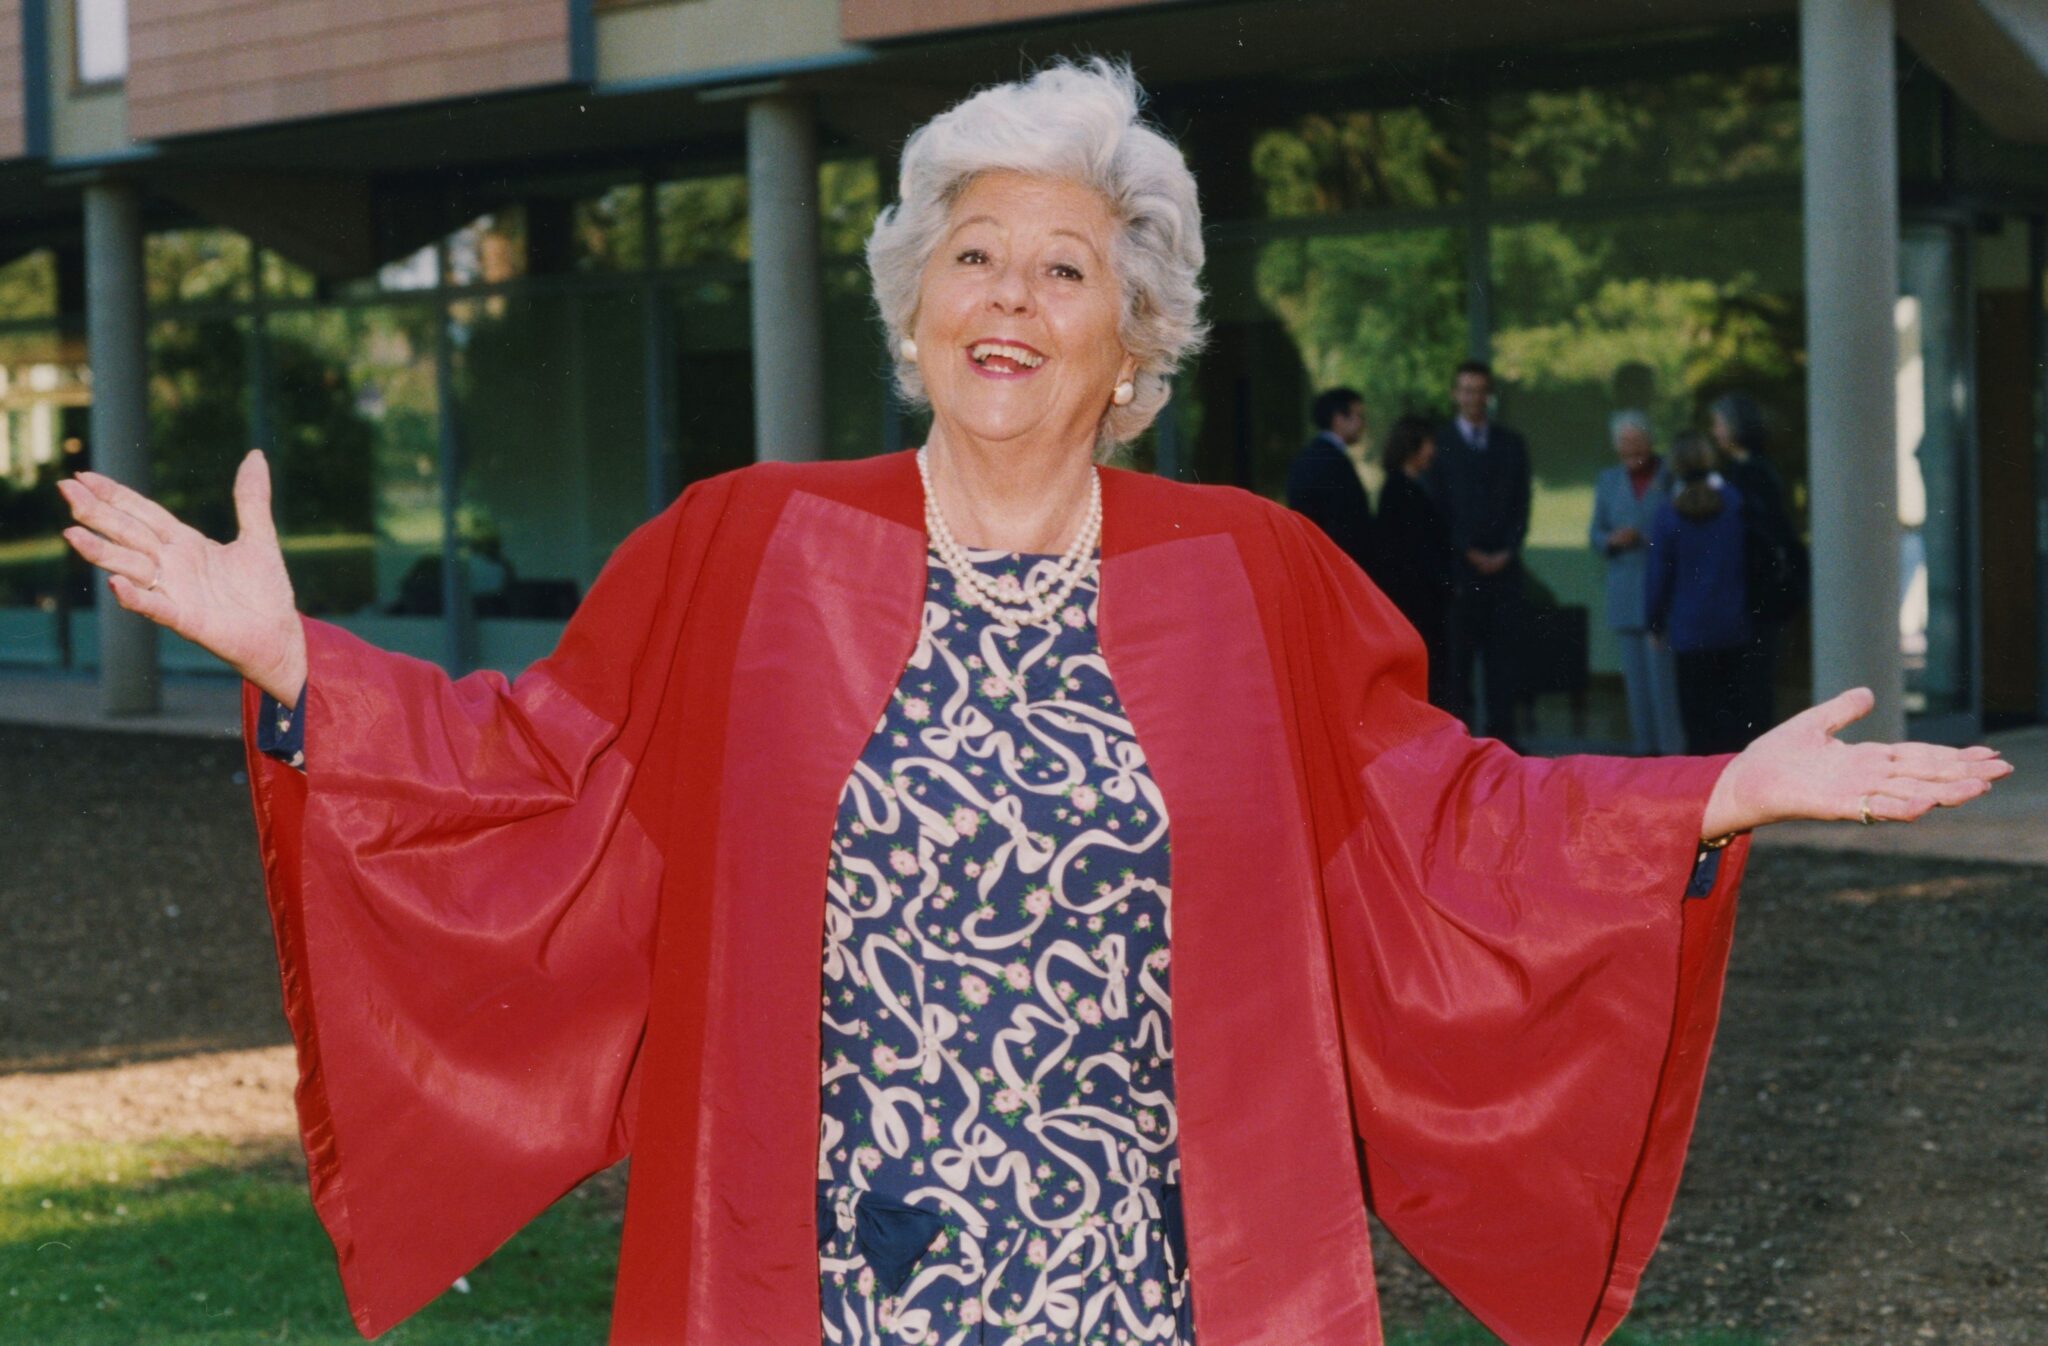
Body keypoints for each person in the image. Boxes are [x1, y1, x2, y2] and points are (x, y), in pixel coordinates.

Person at [57, 60, 2007, 1346]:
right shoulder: (746, 545)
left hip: (1143, 1284)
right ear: (911, 304)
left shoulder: (1241, 570)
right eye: (970, 253)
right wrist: (305, 661)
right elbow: (541, 763)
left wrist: (1700, 800)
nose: (1008, 293)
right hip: (815, 1282)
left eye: (1061, 266)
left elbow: (1439, 812)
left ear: (1130, 337)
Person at [1429, 358, 1531, 749]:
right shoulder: (1440, 444)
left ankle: (1505, 751)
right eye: (1466, 390)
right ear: (1455, 395)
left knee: (1504, 667)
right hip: (1460, 573)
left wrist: (1506, 550)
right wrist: (1466, 552)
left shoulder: (1511, 443)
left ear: (1490, 396)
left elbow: (1522, 504)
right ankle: (1461, 753)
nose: (1473, 398)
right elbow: (1437, 509)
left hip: (1504, 573)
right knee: (1458, 668)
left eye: (1480, 391)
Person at [1646, 431, 1754, 754]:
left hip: (1690, 629)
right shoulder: (1735, 503)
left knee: (1697, 724)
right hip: (1733, 623)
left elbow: (1657, 576)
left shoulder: (1667, 514)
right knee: (1732, 721)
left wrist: (1653, 622)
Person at [1709, 392, 1807, 743]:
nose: (1715, 433)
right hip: (1751, 593)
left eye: (1719, 425)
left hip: (1756, 594)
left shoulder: (1750, 475)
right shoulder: (1744, 472)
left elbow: (1764, 533)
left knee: (1754, 680)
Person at [1591, 410, 1685, 755]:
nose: (1630, 454)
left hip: (1662, 595)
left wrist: (1645, 537)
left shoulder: (1671, 477)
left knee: (1665, 687)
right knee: (1637, 688)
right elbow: (1594, 533)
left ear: (1649, 441)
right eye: (1623, 447)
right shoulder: (1608, 480)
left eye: (1636, 445)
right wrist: (1610, 540)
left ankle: (1673, 759)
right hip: (1625, 593)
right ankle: (1644, 757)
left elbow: (1681, 532)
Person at [1372, 413, 1455, 708]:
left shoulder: (1409, 488)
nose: (1433, 450)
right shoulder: (1400, 491)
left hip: (1420, 598)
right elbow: (1415, 551)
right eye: (1428, 443)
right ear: (1413, 446)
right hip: (1416, 600)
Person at [1285, 386, 1376, 576]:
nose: (1362, 423)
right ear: (1338, 419)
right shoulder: (1333, 461)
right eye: (1358, 416)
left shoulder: (1311, 456)